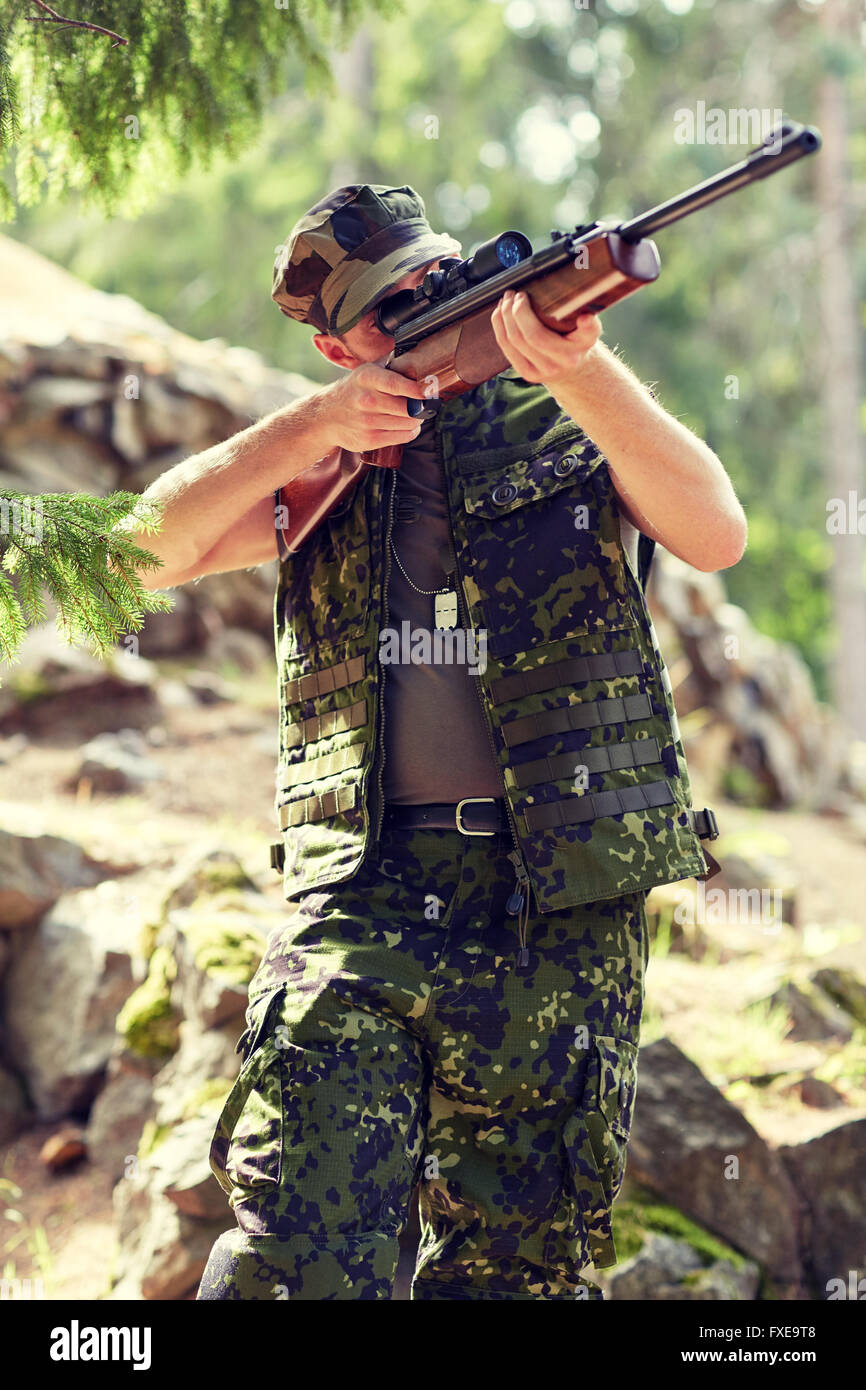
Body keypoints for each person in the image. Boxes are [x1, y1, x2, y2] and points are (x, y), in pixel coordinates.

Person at [134, 183, 745, 1300]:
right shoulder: (314, 467)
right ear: (335, 345)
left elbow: (714, 529)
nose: (423, 302)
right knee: (296, 1264)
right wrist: (313, 425)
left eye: (436, 279)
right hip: (363, 897)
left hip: (553, 907)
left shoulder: (565, 419)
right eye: (388, 306)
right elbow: (139, 553)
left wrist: (580, 370)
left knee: (518, 1276)